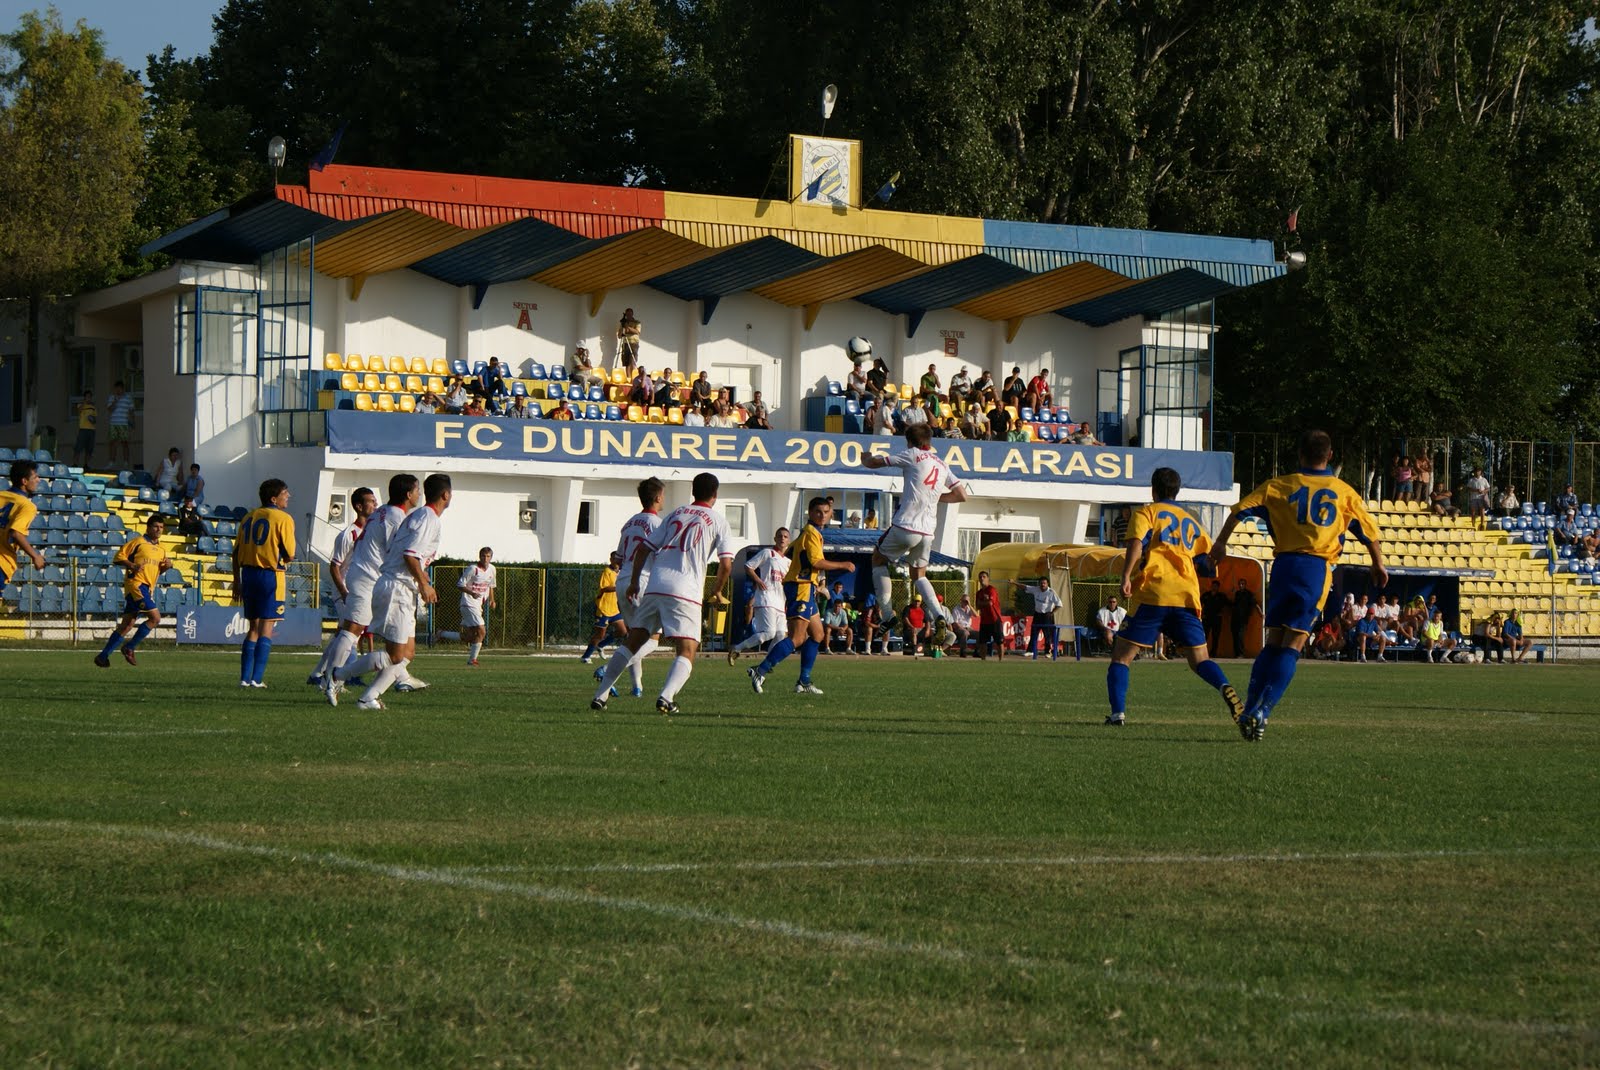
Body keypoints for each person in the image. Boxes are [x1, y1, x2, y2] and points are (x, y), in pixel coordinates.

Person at [1212, 430, 1386, 741]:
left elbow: (1238, 511)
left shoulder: (1278, 486)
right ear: (1329, 456)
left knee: (1274, 642)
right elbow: (1368, 532)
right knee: (1293, 644)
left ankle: (1249, 708)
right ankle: (1263, 711)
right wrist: (1378, 563)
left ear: (1300, 454)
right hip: (1314, 568)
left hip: (1283, 566)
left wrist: (1221, 544)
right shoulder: (1343, 491)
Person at [1104, 467, 1245, 726]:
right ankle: (1224, 685)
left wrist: (1126, 575)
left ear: (1153, 490)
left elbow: (1136, 543)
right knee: (1200, 660)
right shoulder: (1191, 521)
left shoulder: (1147, 512)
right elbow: (1205, 564)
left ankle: (1117, 715)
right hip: (1186, 596)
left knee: (1121, 657)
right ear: (1177, 491)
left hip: (1154, 592)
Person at [592, 472, 734, 715]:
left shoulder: (675, 514)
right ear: (715, 494)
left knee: (633, 641)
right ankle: (666, 697)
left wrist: (634, 582)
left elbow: (643, 549)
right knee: (687, 649)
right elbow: (727, 564)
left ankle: (600, 695)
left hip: (655, 585)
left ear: (693, 491)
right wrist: (717, 590)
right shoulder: (718, 520)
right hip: (684, 589)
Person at [320, 474, 420, 704]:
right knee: (352, 630)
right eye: (417, 490)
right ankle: (332, 679)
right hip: (368, 578)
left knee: (395, 644)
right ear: (408, 494)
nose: (419, 494)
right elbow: (398, 553)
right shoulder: (396, 517)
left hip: (367, 575)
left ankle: (399, 677)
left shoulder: (382, 511)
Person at [354, 473, 451, 710]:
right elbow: (410, 554)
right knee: (395, 654)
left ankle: (369, 696)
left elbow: (407, 553)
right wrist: (424, 584)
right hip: (397, 586)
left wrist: (421, 577)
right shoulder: (427, 518)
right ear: (446, 495)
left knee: (407, 653)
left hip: (401, 585)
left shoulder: (417, 515)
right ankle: (337, 675)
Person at [861, 423, 968, 630]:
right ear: (929, 440)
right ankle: (939, 615)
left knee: (878, 559)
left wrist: (865, 458)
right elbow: (961, 495)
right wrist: (935, 497)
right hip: (927, 532)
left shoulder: (912, 454)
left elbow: (874, 463)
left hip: (906, 525)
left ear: (909, 441)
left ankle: (887, 615)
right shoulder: (941, 464)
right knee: (919, 575)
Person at [747, 496, 856, 696]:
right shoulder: (811, 533)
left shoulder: (810, 532)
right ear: (810, 513)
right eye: (818, 512)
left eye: (826, 512)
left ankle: (804, 681)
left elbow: (792, 552)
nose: (822, 515)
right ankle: (759, 671)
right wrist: (843, 564)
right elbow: (816, 562)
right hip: (800, 588)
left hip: (805, 587)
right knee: (797, 638)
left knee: (818, 635)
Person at [307, 487, 378, 686]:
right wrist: (343, 592)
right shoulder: (348, 534)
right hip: (347, 590)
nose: (375, 505)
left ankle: (317, 674)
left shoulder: (371, 532)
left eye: (375, 501)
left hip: (361, 590)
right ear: (359, 506)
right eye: (371, 501)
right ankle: (350, 676)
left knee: (342, 635)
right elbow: (334, 566)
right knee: (352, 634)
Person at [233, 478, 298, 689]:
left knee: (252, 627)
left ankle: (244, 679)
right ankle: (257, 679)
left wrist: (236, 580)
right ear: (274, 498)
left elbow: (235, 552)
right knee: (267, 626)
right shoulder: (283, 518)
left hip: (248, 574)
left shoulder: (248, 517)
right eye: (285, 493)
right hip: (270, 575)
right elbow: (289, 554)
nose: (288, 496)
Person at [93, 516, 171, 669]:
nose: (159, 530)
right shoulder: (138, 542)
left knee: (127, 625)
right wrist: (132, 565)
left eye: (161, 527)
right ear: (148, 527)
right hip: (136, 585)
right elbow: (118, 557)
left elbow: (156, 571)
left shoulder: (162, 549)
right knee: (155, 618)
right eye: (156, 526)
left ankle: (102, 657)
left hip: (147, 588)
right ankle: (129, 647)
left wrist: (166, 567)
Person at [729, 528, 791, 663]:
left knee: (781, 635)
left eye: (785, 536)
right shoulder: (768, 553)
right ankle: (737, 648)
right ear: (775, 539)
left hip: (781, 602)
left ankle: (766, 664)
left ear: (789, 541)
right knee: (769, 633)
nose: (782, 538)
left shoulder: (788, 562)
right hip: (766, 598)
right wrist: (758, 580)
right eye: (780, 536)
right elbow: (748, 566)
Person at [0, 459, 45, 601]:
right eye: (35, 477)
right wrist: (35, 556)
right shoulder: (27, 506)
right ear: (24, 481)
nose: (38, 480)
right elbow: (16, 533)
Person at [579, 552, 627, 663]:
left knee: (622, 631)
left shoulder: (620, 573)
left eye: (618, 559)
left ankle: (601, 645)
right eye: (614, 559)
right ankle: (585, 657)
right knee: (600, 634)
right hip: (603, 609)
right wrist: (619, 587)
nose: (616, 561)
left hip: (614, 609)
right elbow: (604, 588)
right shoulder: (607, 571)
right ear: (611, 560)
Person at [454, 546, 496, 666]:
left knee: (471, 636)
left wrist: (492, 600)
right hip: (468, 603)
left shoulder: (492, 569)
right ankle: (472, 660)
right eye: (483, 556)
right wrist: (472, 593)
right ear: (479, 556)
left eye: (488, 556)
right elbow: (460, 584)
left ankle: (442, 634)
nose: (485, 558)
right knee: (482, 631)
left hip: (478, 606)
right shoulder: (473, 569)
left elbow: (491, 585)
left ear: (491, 557)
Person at [1009, 576, 1063, 660]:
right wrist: (1013, 583)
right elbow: (1025, 587)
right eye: (1041, 583)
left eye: (1044, 583)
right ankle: (1030, 650)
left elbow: (1059, 604)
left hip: (1046, 616)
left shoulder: (1051, 592)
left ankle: (1048, 652)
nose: (1042, 585)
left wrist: (1052, 612)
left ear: (1047, 584)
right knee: (1034, 633)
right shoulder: (1036, 589)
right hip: (1037, 614)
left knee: (1047, 635)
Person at [974, 570, 1004, 660]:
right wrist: (985, 602)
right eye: (980, 577)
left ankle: (1001, 660)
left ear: (988, 579)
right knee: (982, 642)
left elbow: (990, 603)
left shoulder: (991, 589)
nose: (982, 579)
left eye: (984, 577)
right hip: (984, 620)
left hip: (994, 619)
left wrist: (983, 602)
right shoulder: (979, 593)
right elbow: (977, 606)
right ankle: (983, 660)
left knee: (999, 641)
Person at [105, 380, 135, 465]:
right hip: (113, 423)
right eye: (116, 389)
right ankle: (111, 462)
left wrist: (133, 421)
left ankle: (126, 462)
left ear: (123, 389)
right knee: (113, 443)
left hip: (124, 423)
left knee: (125, 443)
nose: (118, 390)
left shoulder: (128, 398)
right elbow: (109, 409)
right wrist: (115, 401)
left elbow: (131, 410)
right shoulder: (112, 397)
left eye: (119, 389)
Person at [1229, 578, 1257, 658]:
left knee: (1240, 635)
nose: (1241, 585)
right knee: (1234, 635)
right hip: (1235, 617)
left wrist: (1261, 613)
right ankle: (1236, 653)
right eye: (1240, 584)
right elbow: (1233, 604)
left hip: (1243, 618)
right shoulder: (1237, 593)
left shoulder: (1248, 594)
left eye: (1242, 584)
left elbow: (1254, 604)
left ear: (1245, 585)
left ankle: (1241, 653)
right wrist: (1231, 595)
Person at [1200, 579, 1228, 652]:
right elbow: (1199, 603)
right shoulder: (1206, 595)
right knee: (1204, 635)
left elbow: (1228, 604)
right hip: (1207, 618)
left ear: (1218, 587)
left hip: (1216, 618)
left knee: (1215, 636)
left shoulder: (1221, 596)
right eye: (1213, 586)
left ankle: (1213, 652)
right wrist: (1202, 614)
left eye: (1215, 586)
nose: (1214, 587)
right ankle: (1203, 651)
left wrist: (1222, 612)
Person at [71, 391, 97, 468]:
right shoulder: (80, 405)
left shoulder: (93, 407)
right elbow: (78, 411)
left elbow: (95, 420)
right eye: (87, 396)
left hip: (91, 430)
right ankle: (75, 463)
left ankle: (86, 464)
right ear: (84, 397)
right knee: (78, 447)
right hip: (83, 429)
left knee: (89, 448)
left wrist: (92, 419)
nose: (89, 398)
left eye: (90, 397)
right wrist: (84, 403)